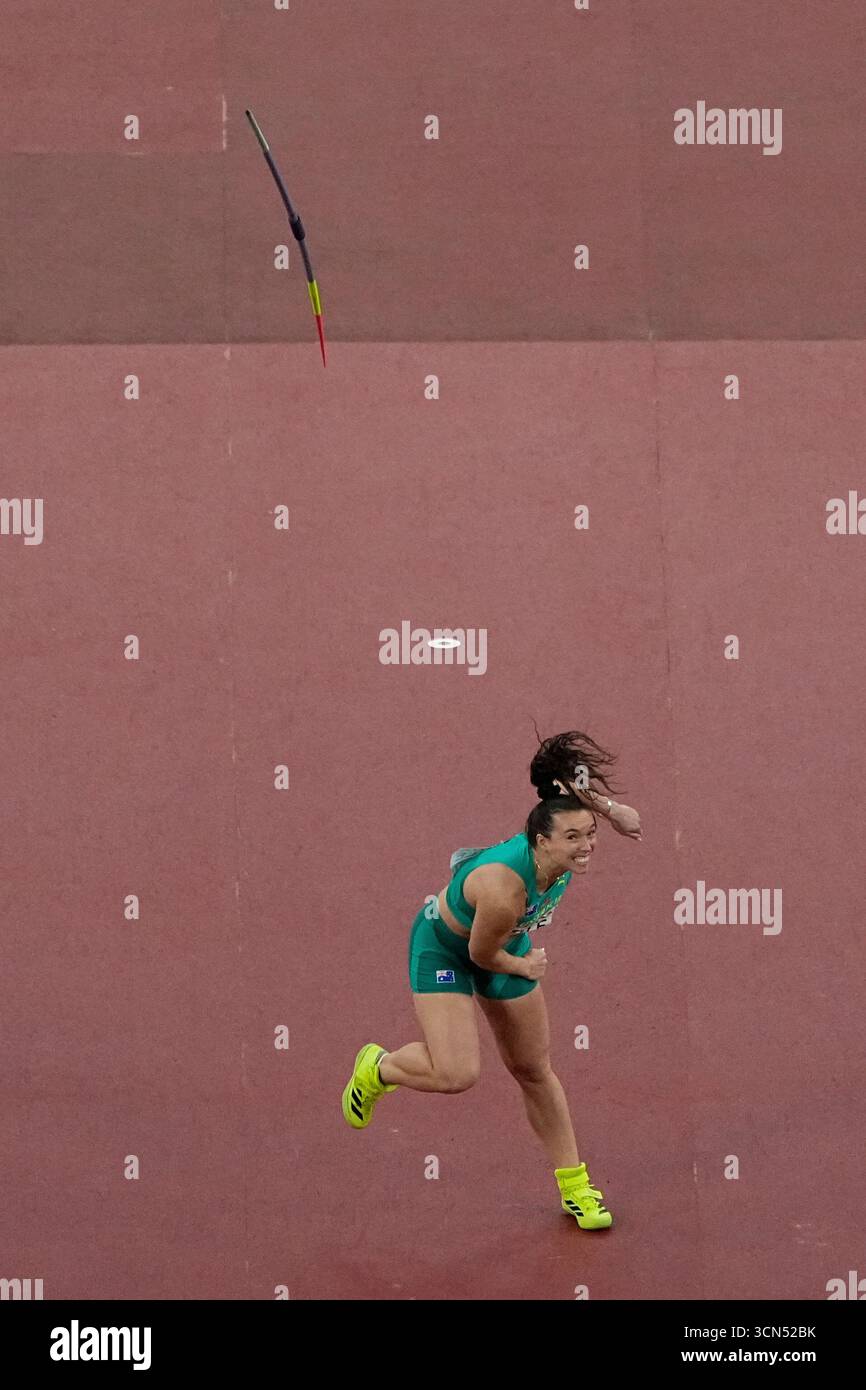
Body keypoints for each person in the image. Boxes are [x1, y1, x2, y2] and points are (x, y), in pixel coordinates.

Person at [341, 730, 641, 1230]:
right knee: (457, 1075)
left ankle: (576, 1188)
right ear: (540, 842)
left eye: (589, 835)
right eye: (574, 838)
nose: (586, 846)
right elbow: (482, 952)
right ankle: (379, 1068)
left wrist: (611, 811)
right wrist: (523, 967)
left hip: (504, 940)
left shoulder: (557, 836)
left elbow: (563, 788)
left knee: (533, 1069)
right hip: (448, 950)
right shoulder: (506, 890)